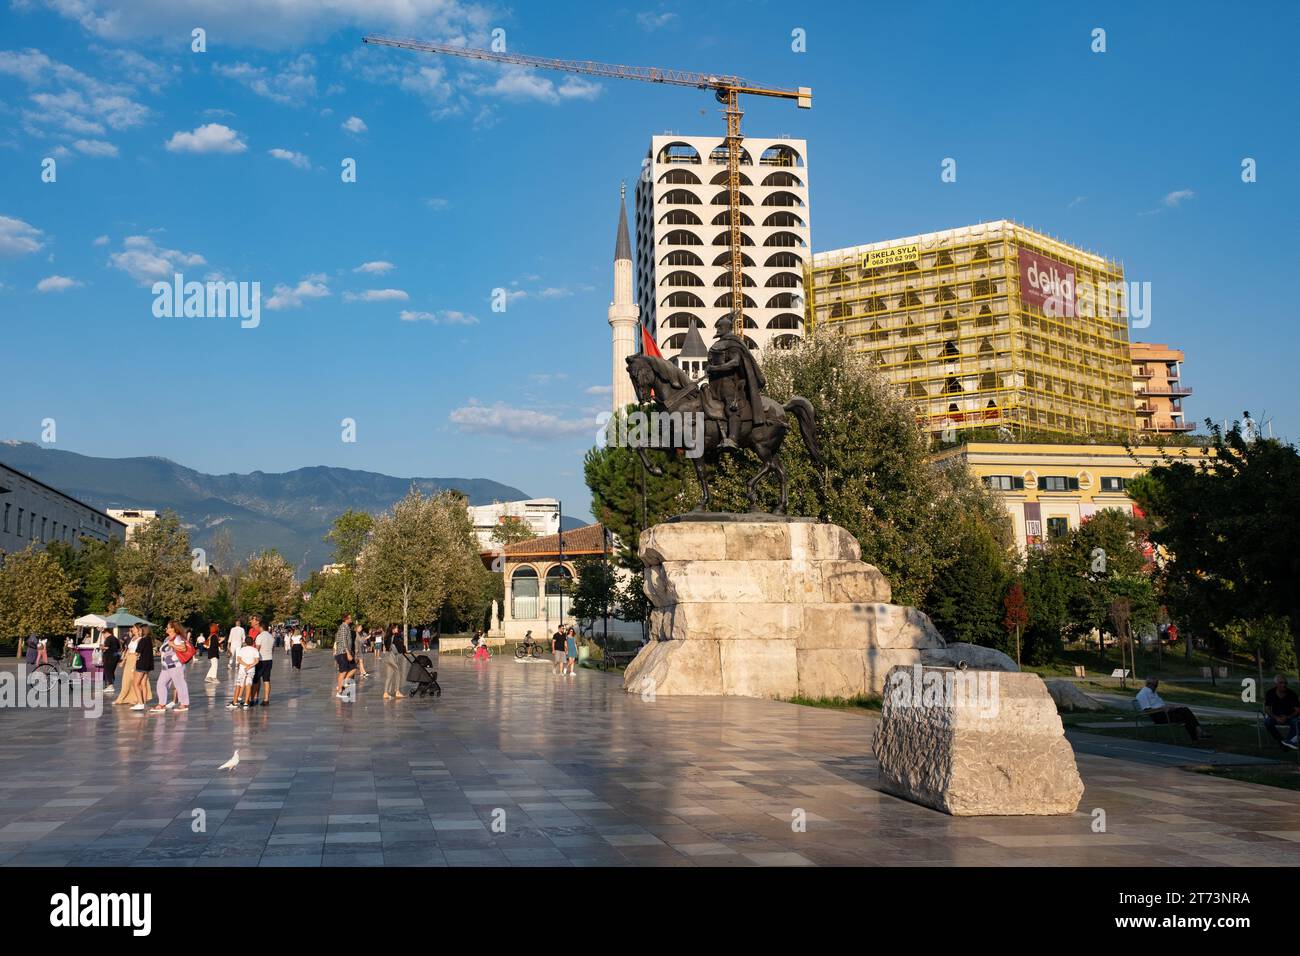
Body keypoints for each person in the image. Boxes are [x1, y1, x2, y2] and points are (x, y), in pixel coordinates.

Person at [706, 312, 767, 453]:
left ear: (727, 328)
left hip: (728, 384)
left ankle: (732, 438)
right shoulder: (717, 344)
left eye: (720, 326)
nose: (718, 329)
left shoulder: (733, 343)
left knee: (731, 407)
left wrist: (715, 367)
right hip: (715, 383)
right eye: (718, 327)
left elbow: (735, 363)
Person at [1136, 676, 1211, 741]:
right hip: (1157, 716)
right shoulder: (1143, 694)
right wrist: (1162, 709)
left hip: (1165, 713)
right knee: (1185, 716)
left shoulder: (1153, 692)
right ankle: (1198, 734)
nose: (1156, 687)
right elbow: (1147, 711)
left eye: (1156, 685)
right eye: (1155, 685)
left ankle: (1197, 734)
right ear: (1148, 684)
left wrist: (1170, 707)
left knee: (1185, 710)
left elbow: (1160, 705)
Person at [150, 621, 191, 714]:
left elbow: (183, 648)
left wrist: (173, 645)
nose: (166, 629)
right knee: (161, 683)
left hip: (176, 665)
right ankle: (161, 704)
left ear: (173, 629)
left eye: (168, 627)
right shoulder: (167, 638)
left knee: (179, 684)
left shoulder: (178, 638)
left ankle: (184, 704)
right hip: (166, 666)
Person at [1261, 674, 1300, 750]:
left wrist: (1287, 717)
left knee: (1296, 723)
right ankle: (1281, 740)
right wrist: (1276, 717)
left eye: (1285, 683)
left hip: (1290, 717)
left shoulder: (1292, 694)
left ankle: (1287, 742)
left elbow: (1298, 710)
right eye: (1281, 683)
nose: (1284, 685)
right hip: (1275, 716)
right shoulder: (1270, 693)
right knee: (1267, 722)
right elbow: (1267, 709)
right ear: (1276, 684)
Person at [229, 635, 260, 709]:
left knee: (238, 684)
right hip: (251, 670)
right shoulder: (255, 650)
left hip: (242, 670)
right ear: (252, 642)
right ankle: (246, 703)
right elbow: (257, 661)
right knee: (248, 684)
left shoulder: (242, 650)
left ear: (245, 642)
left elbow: (239, 659)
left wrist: (245, 665)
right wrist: (250, 666)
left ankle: (235, 702)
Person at [253, 617, 275, 706]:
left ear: (261, 627)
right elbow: (273, 649)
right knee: (266, 680)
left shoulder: (260, 636)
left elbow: (256, 650)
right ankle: (266, 699)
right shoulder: (271, 637)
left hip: (261, 660)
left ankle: (253, 698)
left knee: (256, 680)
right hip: (269, 659)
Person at [334, 613, 357, 700]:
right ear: (346, 619)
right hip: (342, 652)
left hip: (346, 652)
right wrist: (348, 652)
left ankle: (343, 683)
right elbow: (344, 641)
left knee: (354, 668)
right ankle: (339, 691)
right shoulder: (343, 627)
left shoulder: (347, 627)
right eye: (350, 618)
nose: (351, 619)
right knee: (343, 672)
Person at [383, 635, 406, 700]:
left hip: (388, 657)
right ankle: (397, 691)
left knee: (389, 676)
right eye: (396, 628)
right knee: (398, 673)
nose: (397, 629)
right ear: (392, 629)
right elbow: (399, 647)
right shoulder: (394, 638)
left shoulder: (387, 637)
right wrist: (404, 650)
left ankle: (385, 693)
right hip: (392, 658)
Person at [101, 627, 121, 694]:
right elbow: (119, 648)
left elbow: (107, 647)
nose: (103, 635)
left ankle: (110, 685)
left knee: (108, 671)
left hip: (109, 657)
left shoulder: (108, 639)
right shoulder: (115, 638)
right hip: (115, 657)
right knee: (111, 671)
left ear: (106, 633)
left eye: (103, 634)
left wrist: (101, 647)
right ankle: (111, 684)